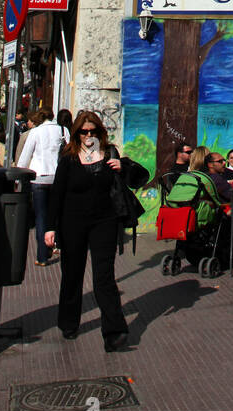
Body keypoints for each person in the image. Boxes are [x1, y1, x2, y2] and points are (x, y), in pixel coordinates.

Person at [45, 110, 147, 349]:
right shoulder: (68, 158)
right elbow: (57, 194)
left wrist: (122, 167)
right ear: (76, 133)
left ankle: (114, 331)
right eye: (83, 132)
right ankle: (69, 322)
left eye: (92, 131)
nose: (88, 136)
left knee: (104, 277)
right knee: (72, 274)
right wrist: (50, 228)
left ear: (100, 132)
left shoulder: (110, 154)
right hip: (73, 223)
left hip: (105, 222)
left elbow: (141, 178)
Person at [18, 108, 64, 265]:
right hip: (58, 177)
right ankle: (56, 243)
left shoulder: (35, 132)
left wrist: (20, 175)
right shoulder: (62, 131)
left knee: (41, 217)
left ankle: (42, 256)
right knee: (57, 214)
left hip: (39, 177)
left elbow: (24, 158)